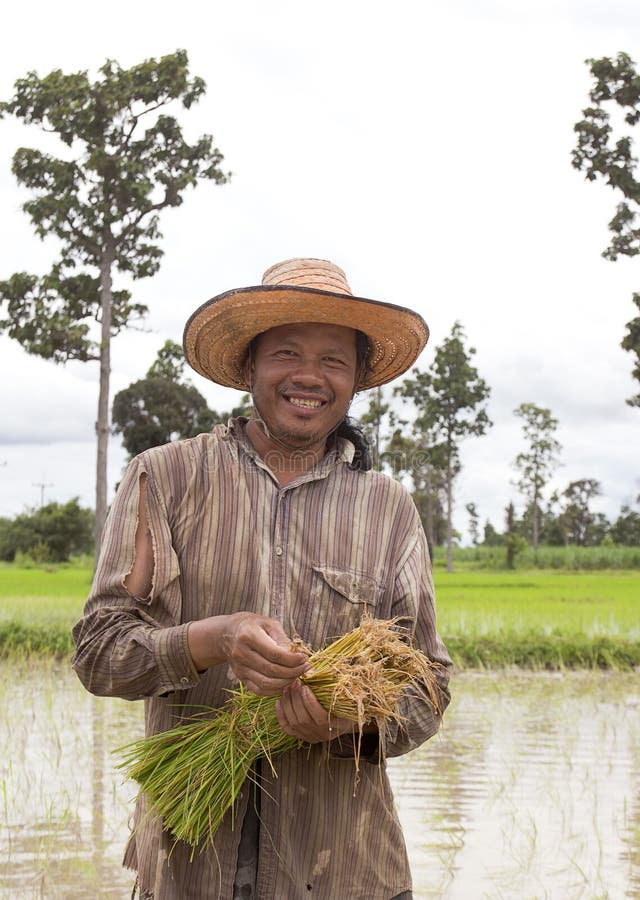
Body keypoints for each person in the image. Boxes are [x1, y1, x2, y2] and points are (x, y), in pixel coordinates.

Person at [72, 257, 452, 900]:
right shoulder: (165, 479)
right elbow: (97, 652)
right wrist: (210, 640)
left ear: (357, 378)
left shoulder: (385, 508)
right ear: (249, 366)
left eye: (334, 360)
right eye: (286, 353)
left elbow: (428, 686)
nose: (309, 376)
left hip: (343, 872)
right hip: (190, 867)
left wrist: (349, 721)